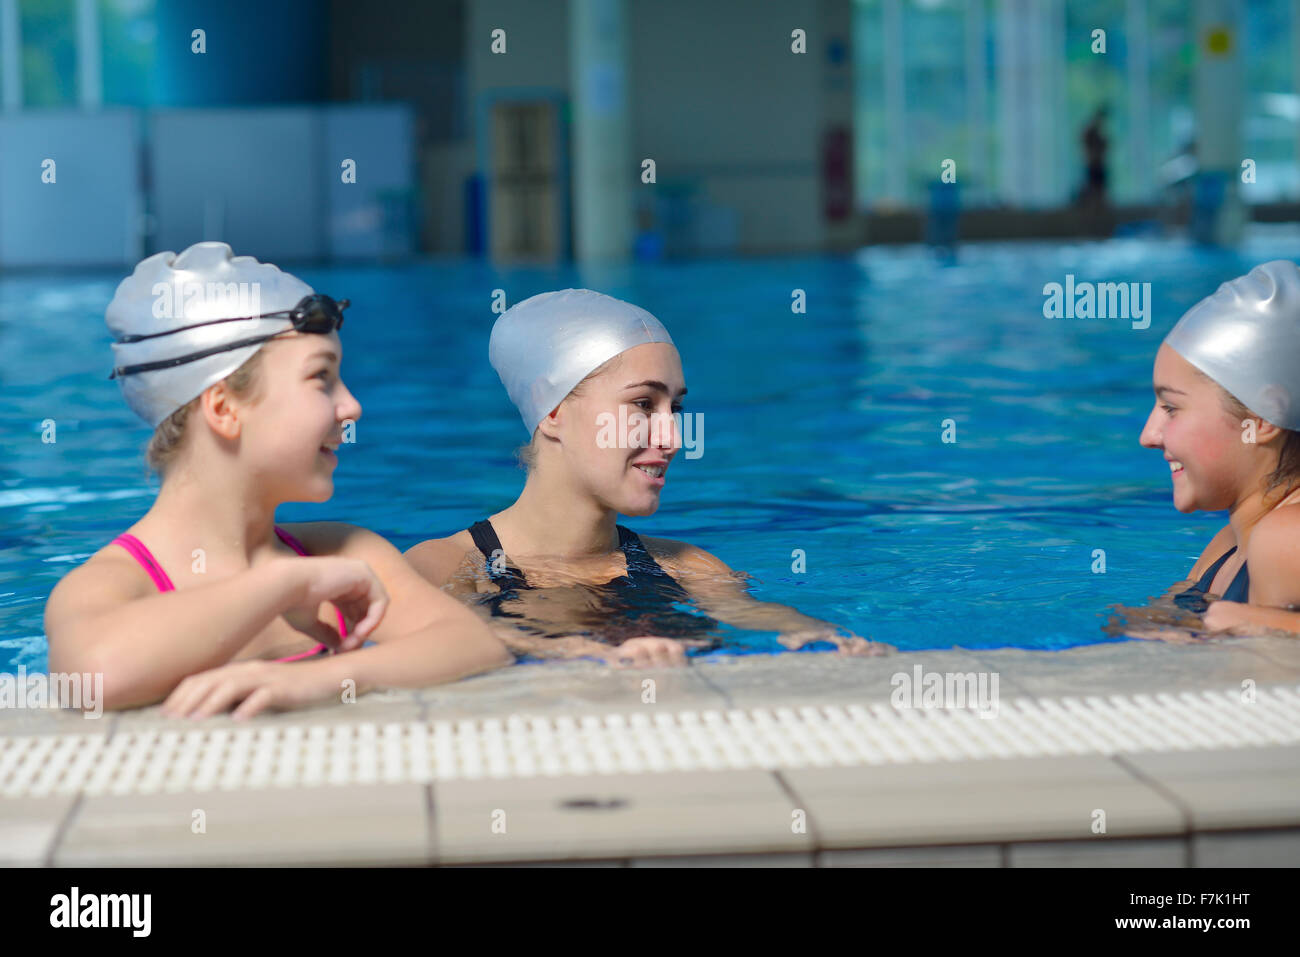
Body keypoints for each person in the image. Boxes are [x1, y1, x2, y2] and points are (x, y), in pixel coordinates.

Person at [43, 242, 511, 716]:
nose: (351, 407)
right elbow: (89, 678)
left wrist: (314, 680)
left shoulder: (342, 550)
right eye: (321, 378)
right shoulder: (112, 584)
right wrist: (284, 584)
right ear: (225, 410)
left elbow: (473, 645)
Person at [405, 288, 891, 667]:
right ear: (552, 412)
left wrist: (828, 640)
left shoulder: (690, 569)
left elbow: (766, 621)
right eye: (643, 404)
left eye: (675, 407)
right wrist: (573, 654)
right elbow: (415, 636)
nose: (674, 437)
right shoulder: (443, 568)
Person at [1129, 260, 1300, 640]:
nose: (1148, 435)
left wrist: (1271, 624)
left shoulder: (1287, 536)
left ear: (1259, 421)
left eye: (1171, 408)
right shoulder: (1228, 544)